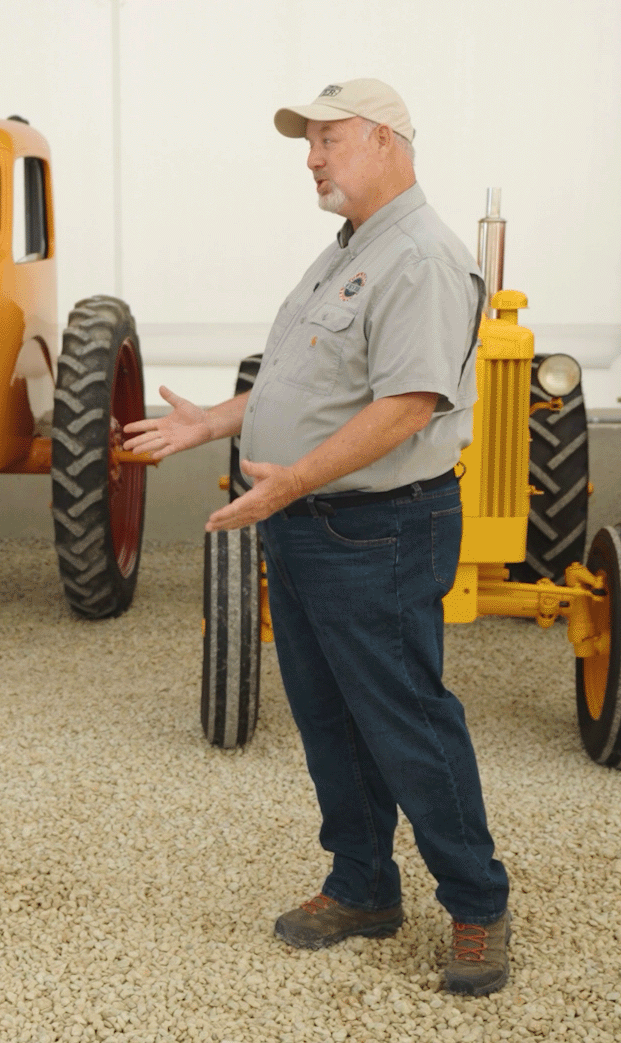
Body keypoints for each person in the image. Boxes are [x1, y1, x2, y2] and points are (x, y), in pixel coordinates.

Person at [125, 79, 512, 996]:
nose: (311, 157)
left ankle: (477, 905)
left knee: (408, 722)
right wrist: (214, 424)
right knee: (329, 721)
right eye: (308, 141)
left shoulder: (418, 257)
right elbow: (316, 388)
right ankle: (364, 887)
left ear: (384, 139)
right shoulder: (351, 252)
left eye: (327, 139)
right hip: (310, 526)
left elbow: (408, 406)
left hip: (374, 529)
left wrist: (292, 479)